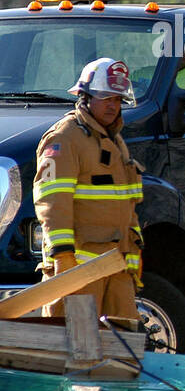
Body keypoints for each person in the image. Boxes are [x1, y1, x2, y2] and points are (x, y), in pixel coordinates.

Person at [34, 57, 143, 320]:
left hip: (116, 267)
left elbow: (127, 205)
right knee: (75, 345)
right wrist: (62, 256)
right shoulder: (64, 138)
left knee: (123, 346)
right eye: (105, 98)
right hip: (78, 269)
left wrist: (133, 256)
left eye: (117, 100)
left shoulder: (115, 141)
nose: (112, 106)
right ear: (85, 97)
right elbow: (52, 202)